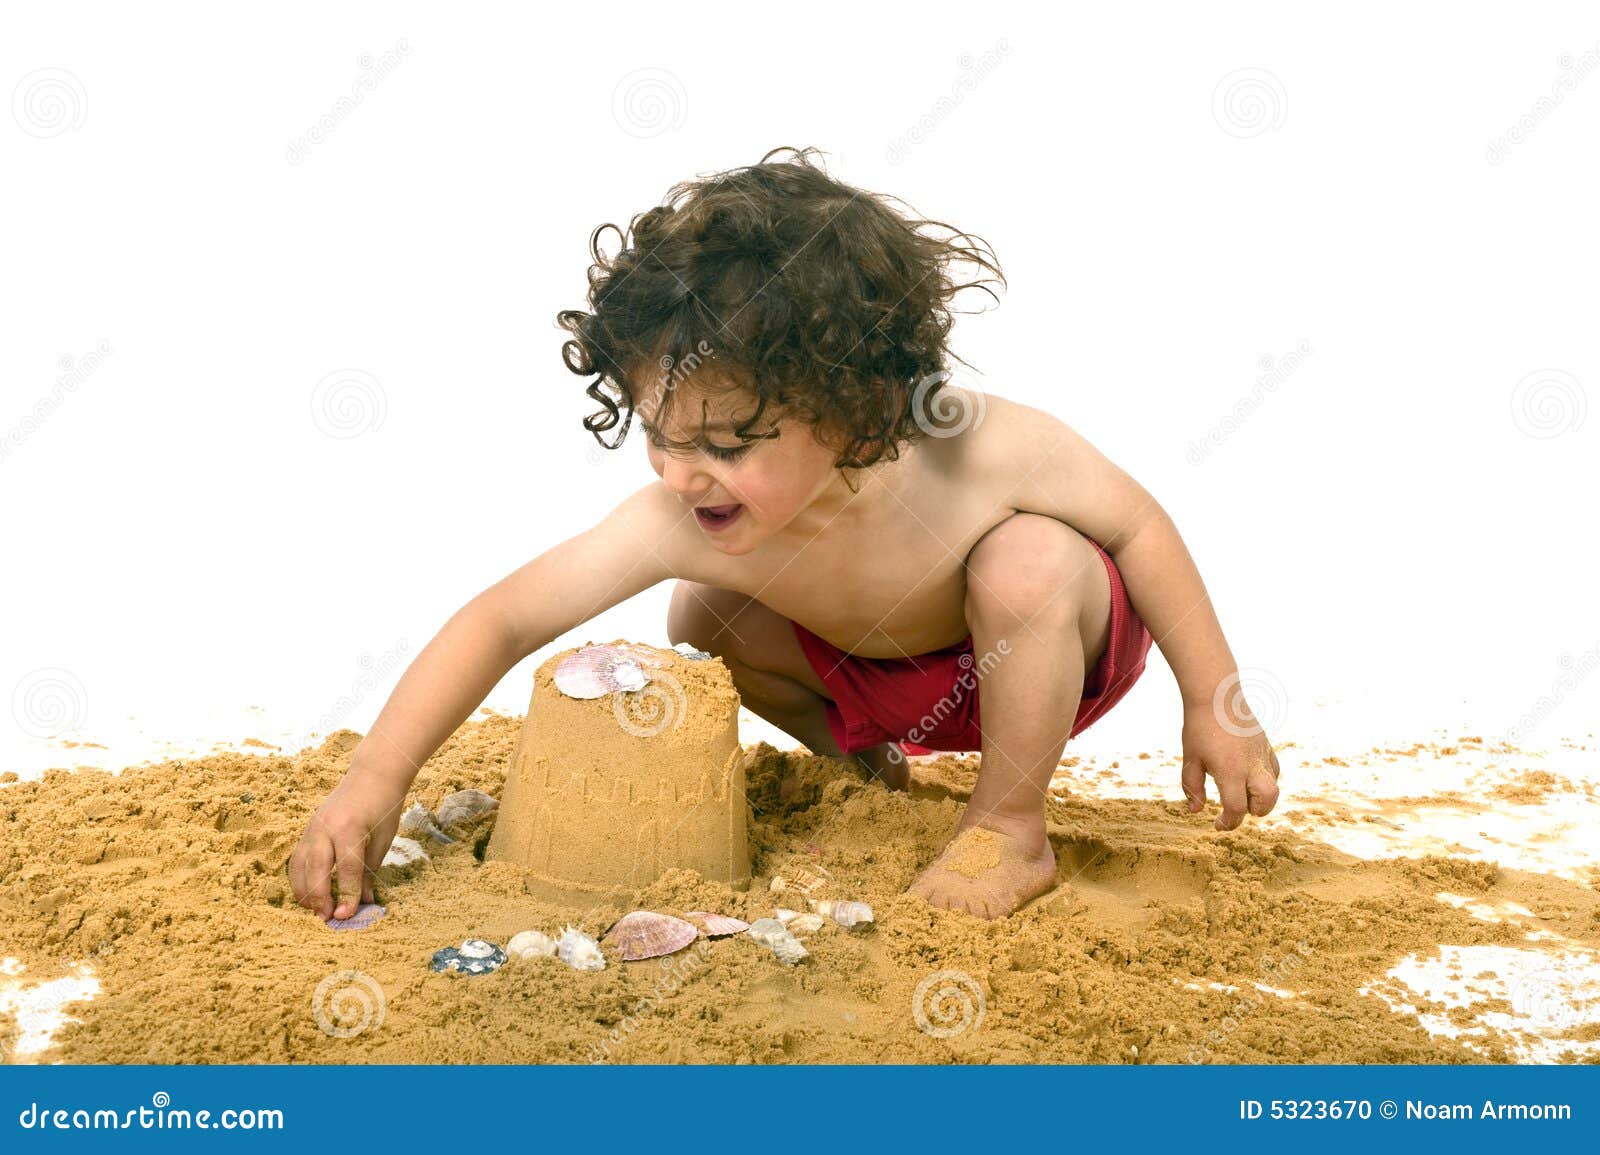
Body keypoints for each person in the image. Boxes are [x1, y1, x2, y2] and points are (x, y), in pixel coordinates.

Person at [288, 146, 1281, 923]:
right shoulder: (688, 518)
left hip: (1044, 651)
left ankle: (1009, 827)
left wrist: (1215, 702)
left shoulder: (979, 450)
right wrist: (374, 783)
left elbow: (1141, 527)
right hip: (881, 684)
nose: (683, 473)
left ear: (852, 408)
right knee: (701, 611)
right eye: (660, 435)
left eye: (726, 442)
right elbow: (505, 619)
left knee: (1028, 559)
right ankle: (865, 768)